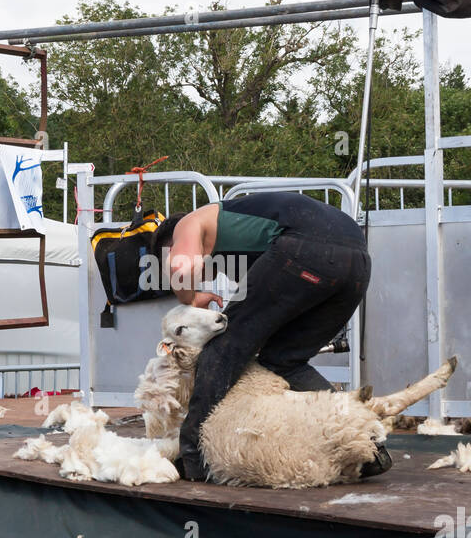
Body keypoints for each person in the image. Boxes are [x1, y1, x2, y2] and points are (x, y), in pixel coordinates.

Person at [150, 192, 387, 481]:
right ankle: (367, 444)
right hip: (357, 263)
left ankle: (192, 459)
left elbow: (180, 267)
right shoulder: (246, 246)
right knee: (284, 360)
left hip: (307, 247)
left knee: (223, 349)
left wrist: (189, 301)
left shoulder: (188, 223)